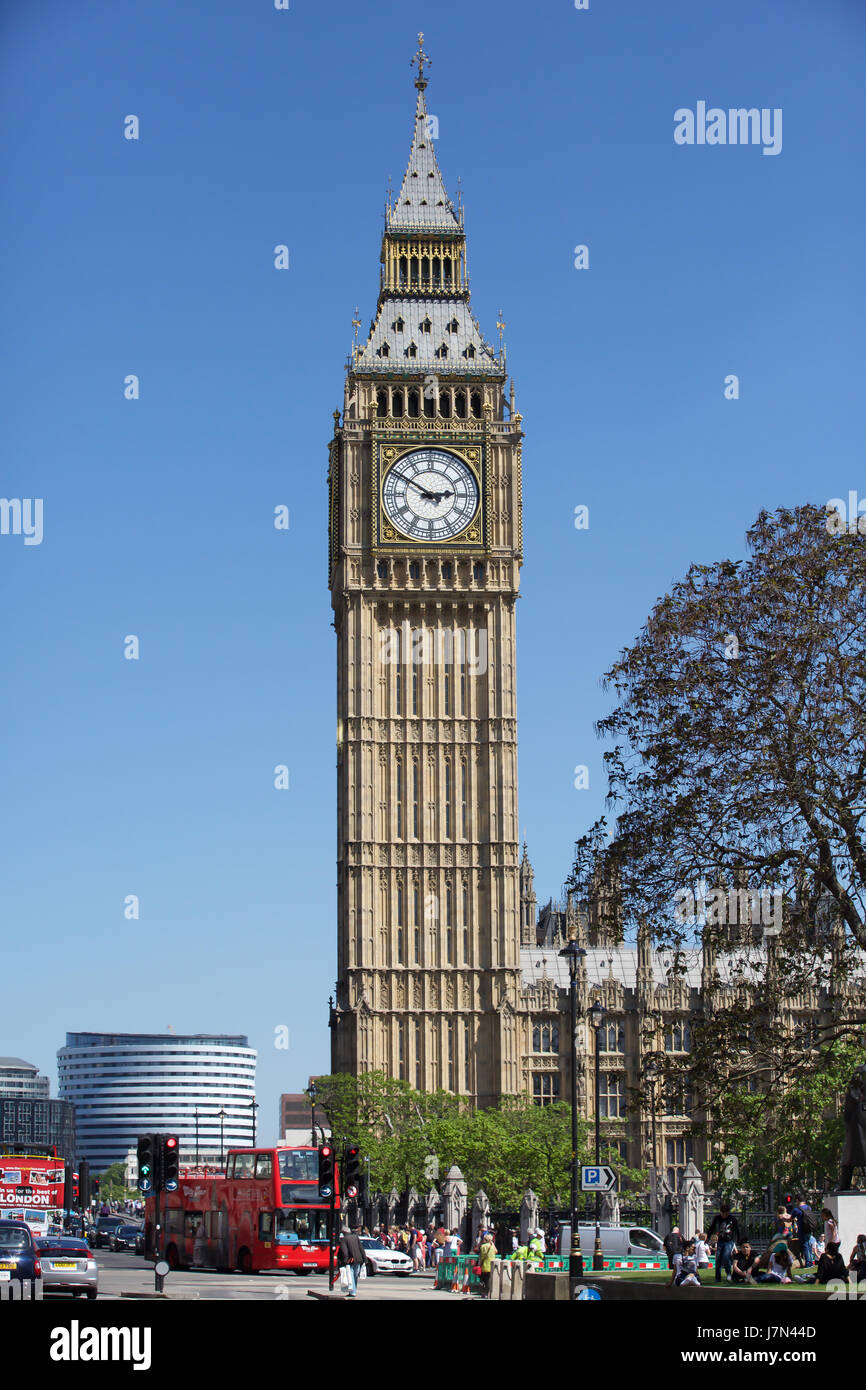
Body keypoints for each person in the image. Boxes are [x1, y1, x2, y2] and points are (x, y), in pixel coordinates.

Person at [708, 1205, 742, 1283]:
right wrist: (708, 1237)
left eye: (726, 1213)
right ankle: (717, 1277)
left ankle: (728, 1273)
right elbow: (712, 1228)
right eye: (723, 1213)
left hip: (729, 1241)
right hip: (720, 1240)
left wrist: (738, 1240)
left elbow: (737, 1229)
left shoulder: (732, 1219)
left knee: (726, 1256)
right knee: (718, 1258)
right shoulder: (717, 1218)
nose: (724, 1215)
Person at [338, 1225, 366, 1298]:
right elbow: (361, 1248)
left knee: (351, 1276)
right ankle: (353, 1290)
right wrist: (364, 1258)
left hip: (350, 1260)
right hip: (359, 1259)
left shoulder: (343, 1240)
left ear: (344, 1232)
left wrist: (345, 1261)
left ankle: (352, 1292)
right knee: (355, 1276)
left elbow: (345, 1252)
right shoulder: (355, 1237)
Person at [478, 1229, 497, 1296]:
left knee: (483, 1280)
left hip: (484, 1265)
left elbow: (481, 1256)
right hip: (491, 1265)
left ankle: (484, 1292)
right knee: (489, 1280)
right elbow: (496, 1251)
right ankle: (488, 1292)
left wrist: (479, 1264)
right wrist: (492, 1244)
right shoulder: (492, 1246)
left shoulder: (482, 1246)